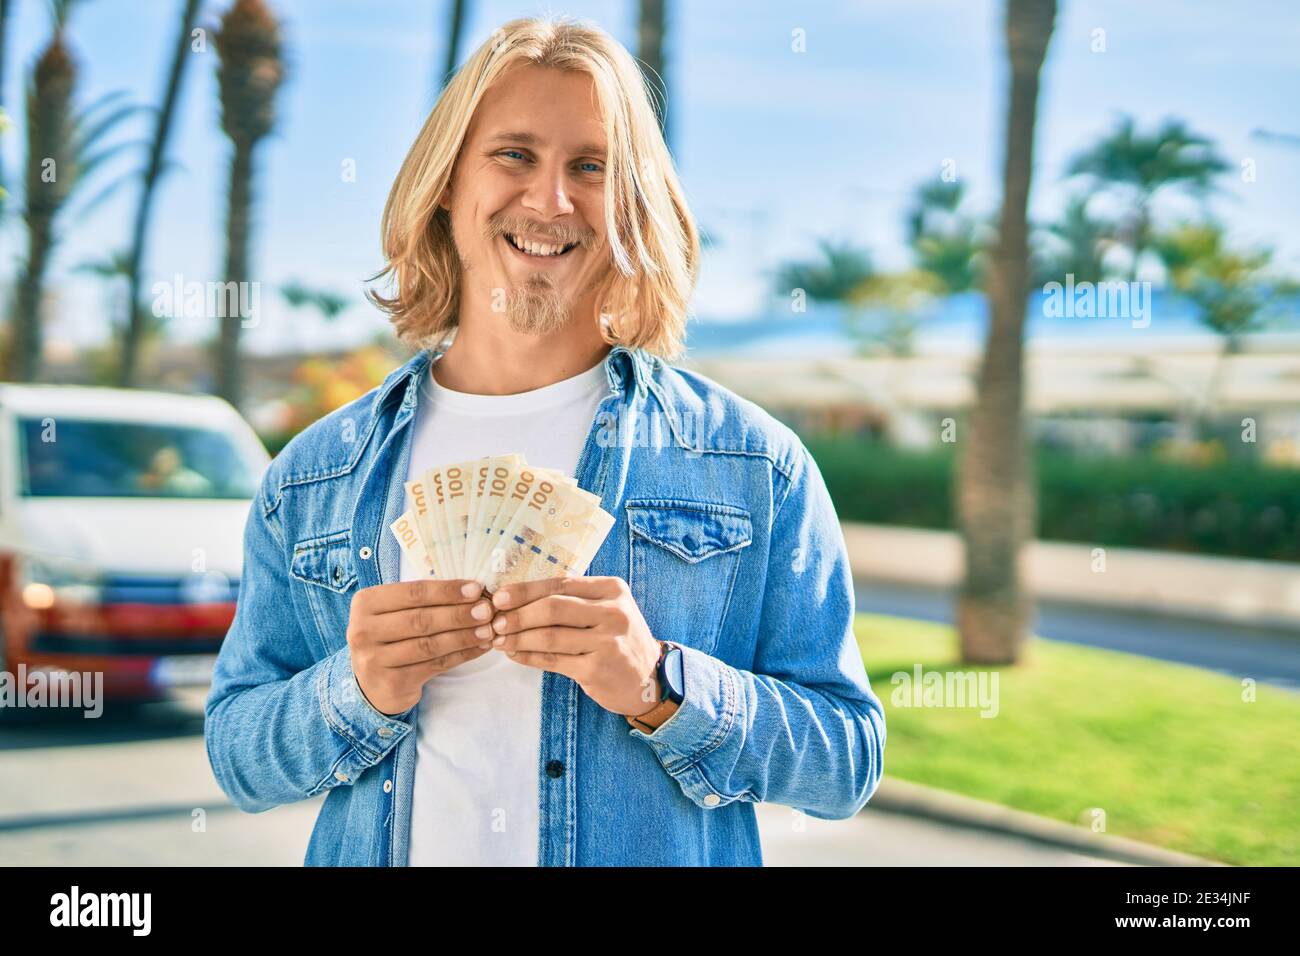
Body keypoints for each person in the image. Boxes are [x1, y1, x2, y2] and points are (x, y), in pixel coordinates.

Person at [205, 14, 885, 867]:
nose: (550, 200)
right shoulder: (312, 477)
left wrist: (659, 685)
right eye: (515, 154)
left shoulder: (757, 466)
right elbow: (237, 752)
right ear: (449, 182)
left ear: (631, 200)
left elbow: (847, 760)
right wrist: (356, 690)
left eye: (591, 167)